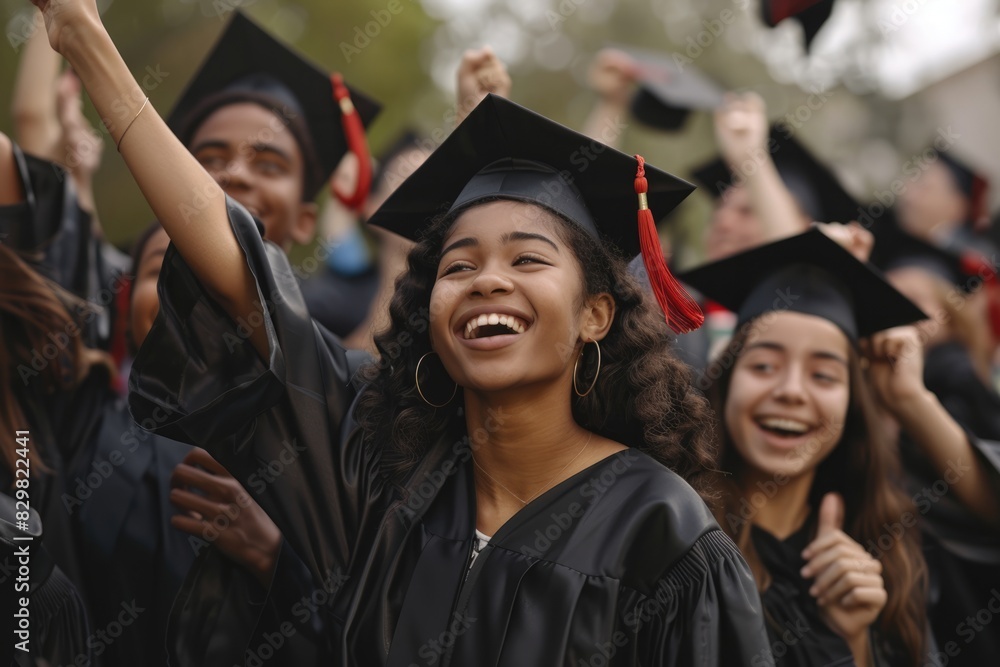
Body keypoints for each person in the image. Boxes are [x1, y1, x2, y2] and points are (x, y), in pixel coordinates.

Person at [30, 2, 774, 663]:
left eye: (527, 258)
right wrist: (87, 40)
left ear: (596, 314)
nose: (487, 278)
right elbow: (243, 277)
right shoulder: (382, 476)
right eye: (459, 264)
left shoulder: (661, 532)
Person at [681, 229, 1000, 665]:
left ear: (852, 404)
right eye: (764, 365)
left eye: (824, 375)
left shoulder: (888, 556)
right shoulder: (671, 530)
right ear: (725, 381)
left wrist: (856, 643)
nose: (791, 391)